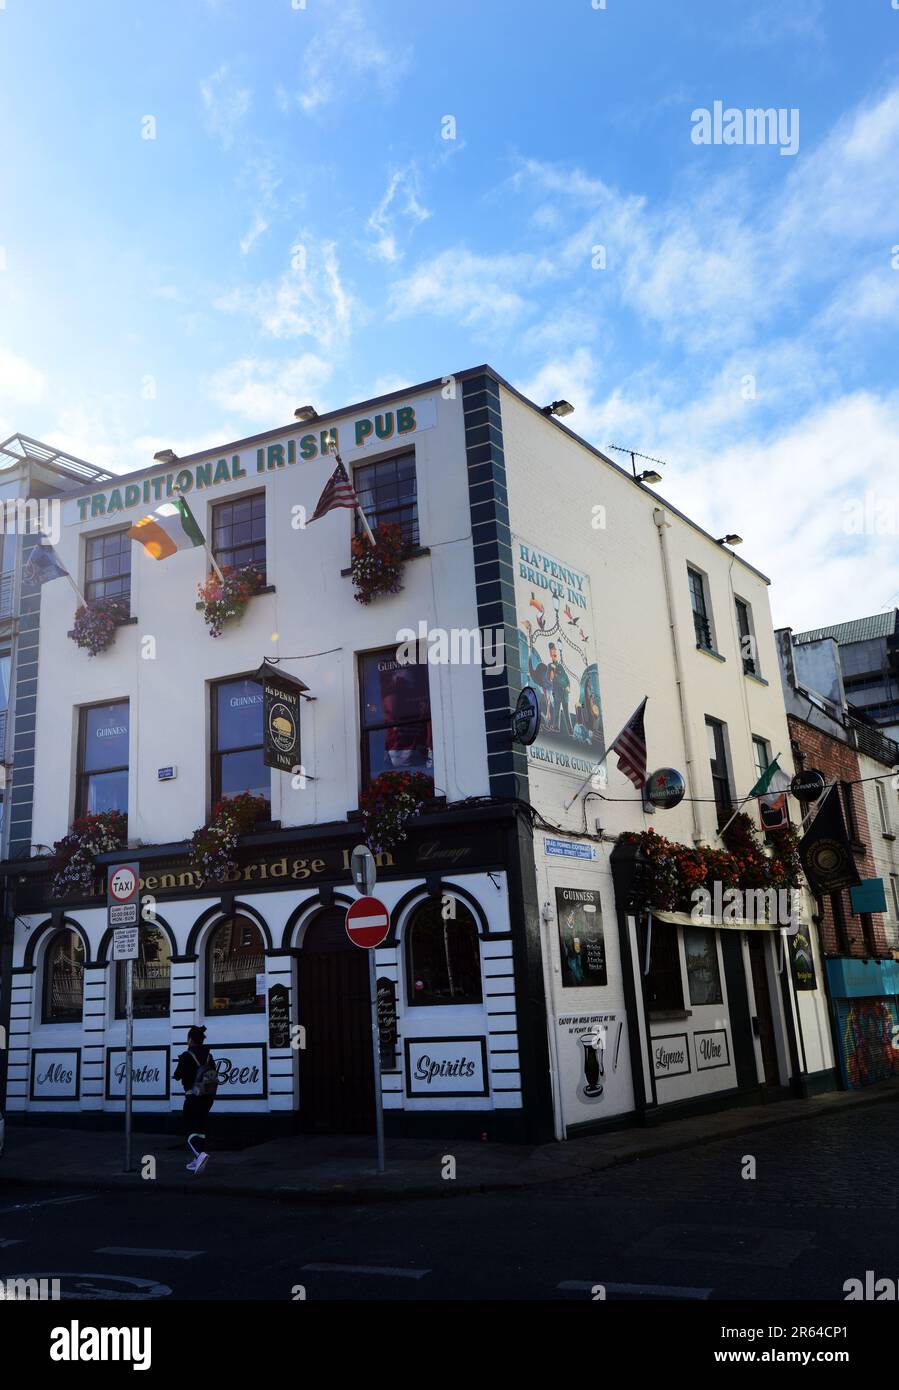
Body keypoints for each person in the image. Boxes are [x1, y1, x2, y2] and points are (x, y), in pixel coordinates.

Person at [173, 1025, 217, 1174]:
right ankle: (197, 1161)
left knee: (189, 1127)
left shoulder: (187, 1055)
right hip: (208, 1097)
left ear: (190, 1039)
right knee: (201, 1128)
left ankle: (200, 1154)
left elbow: (177, 1074)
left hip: (193, 1097)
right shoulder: (209, 1056)